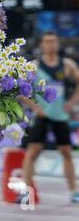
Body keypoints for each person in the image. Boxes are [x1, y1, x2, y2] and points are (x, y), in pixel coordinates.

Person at [22, 31, 79, 202]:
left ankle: (74, 192)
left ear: (57, 44)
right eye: (47, 42)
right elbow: (20, 88)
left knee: (66, 152)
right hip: (42, 115)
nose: (50, 45)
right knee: (32, 152)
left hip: (60, 115)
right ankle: (27, 192)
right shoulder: (34, 66)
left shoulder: (66, 64)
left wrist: (72, 103)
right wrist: (34, 106)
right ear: (41, 45)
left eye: (53, 41)